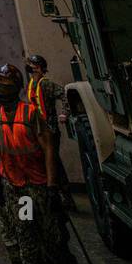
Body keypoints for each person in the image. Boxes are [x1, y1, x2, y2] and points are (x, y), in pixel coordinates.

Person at [0, 62, 78, 264]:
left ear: (14, 88)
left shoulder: (30, 114)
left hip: (37, 187)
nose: (0, 88)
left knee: (53, 242)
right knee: (27, 241)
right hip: (16, 189)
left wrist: (52, 186)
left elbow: (48, 148)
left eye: (5, 84)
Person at [26, 53, 74, 211]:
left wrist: (65, 113)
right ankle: (54, 194)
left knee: (54, 163)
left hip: (49, 129)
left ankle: (65, 196)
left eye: (32, 67)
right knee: (48, 162)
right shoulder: (33, 84)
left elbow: (64, 94)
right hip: (38, 130)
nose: (30, 70)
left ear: (38, 67)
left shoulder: (45, 85)